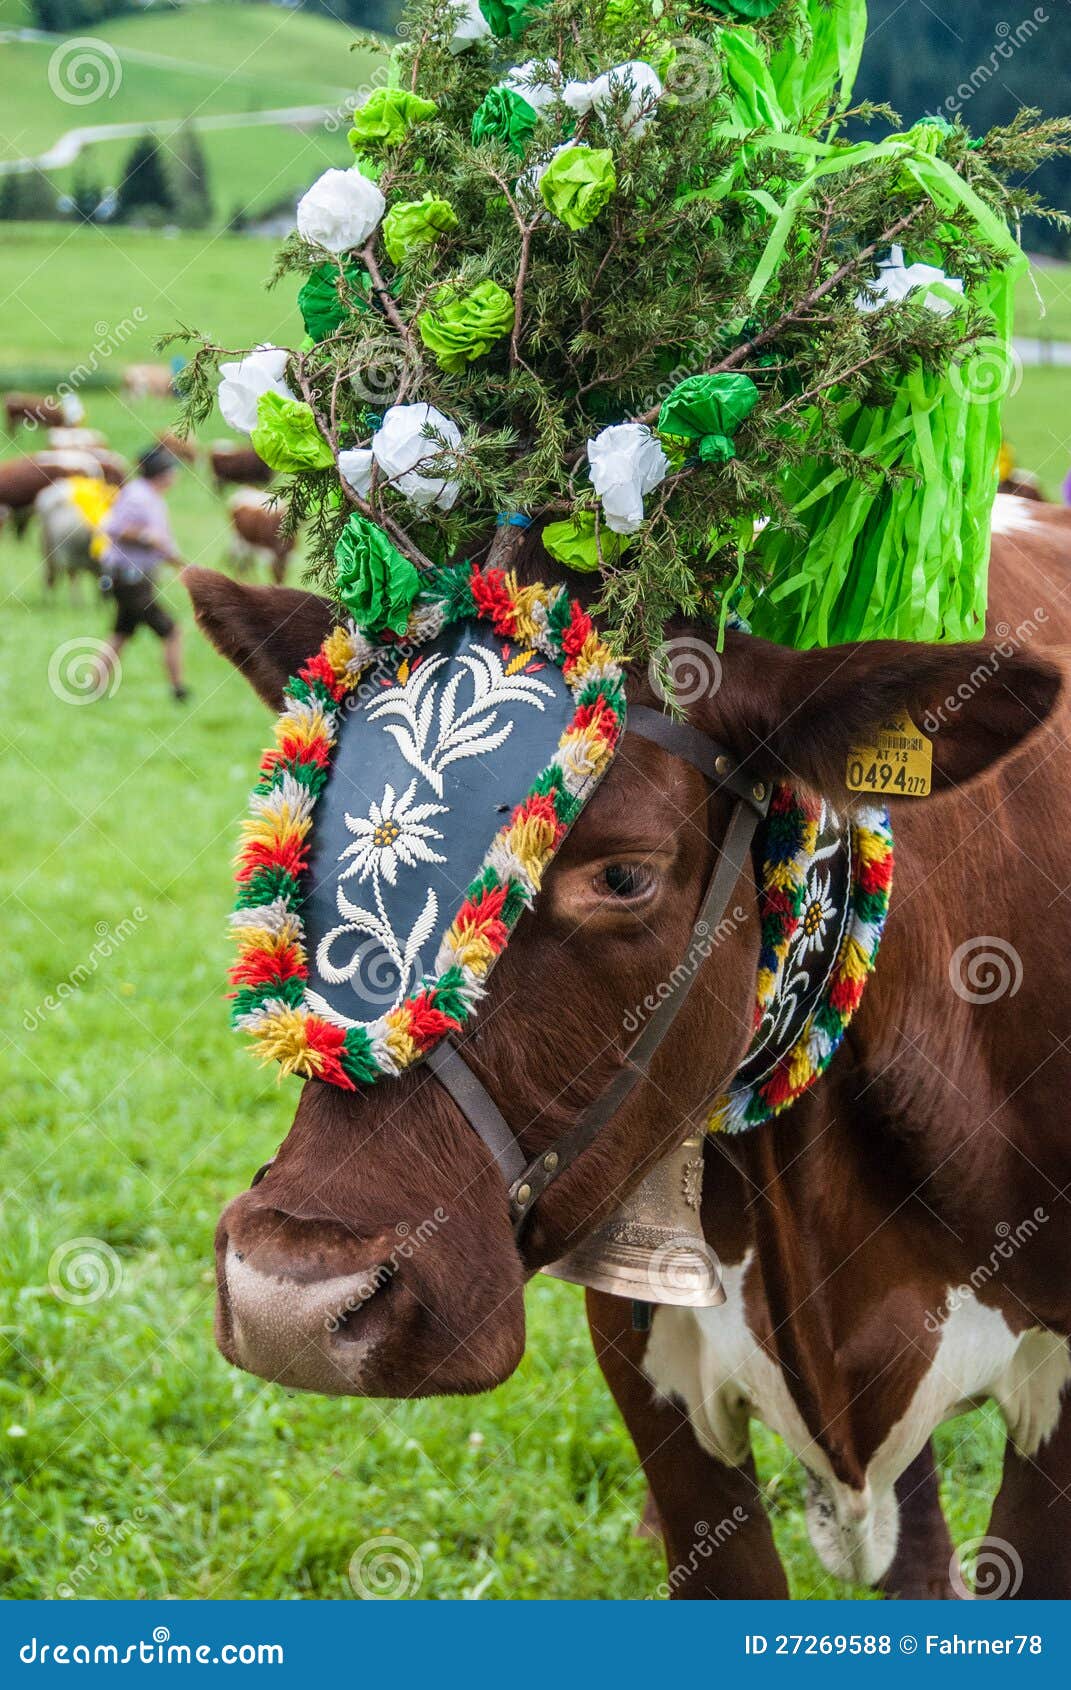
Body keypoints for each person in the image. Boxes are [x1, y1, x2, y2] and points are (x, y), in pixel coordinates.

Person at [94, 444, 189, 701]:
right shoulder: (138, 496)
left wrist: (180, 564)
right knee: (171, 631)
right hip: (130, 579)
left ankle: (94, 683)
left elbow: (163, 543)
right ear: (162, 473)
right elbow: (113, 527)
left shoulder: (150, 497)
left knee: (121, 633)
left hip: (135, 578)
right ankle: (178, 689)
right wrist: (147, 537)